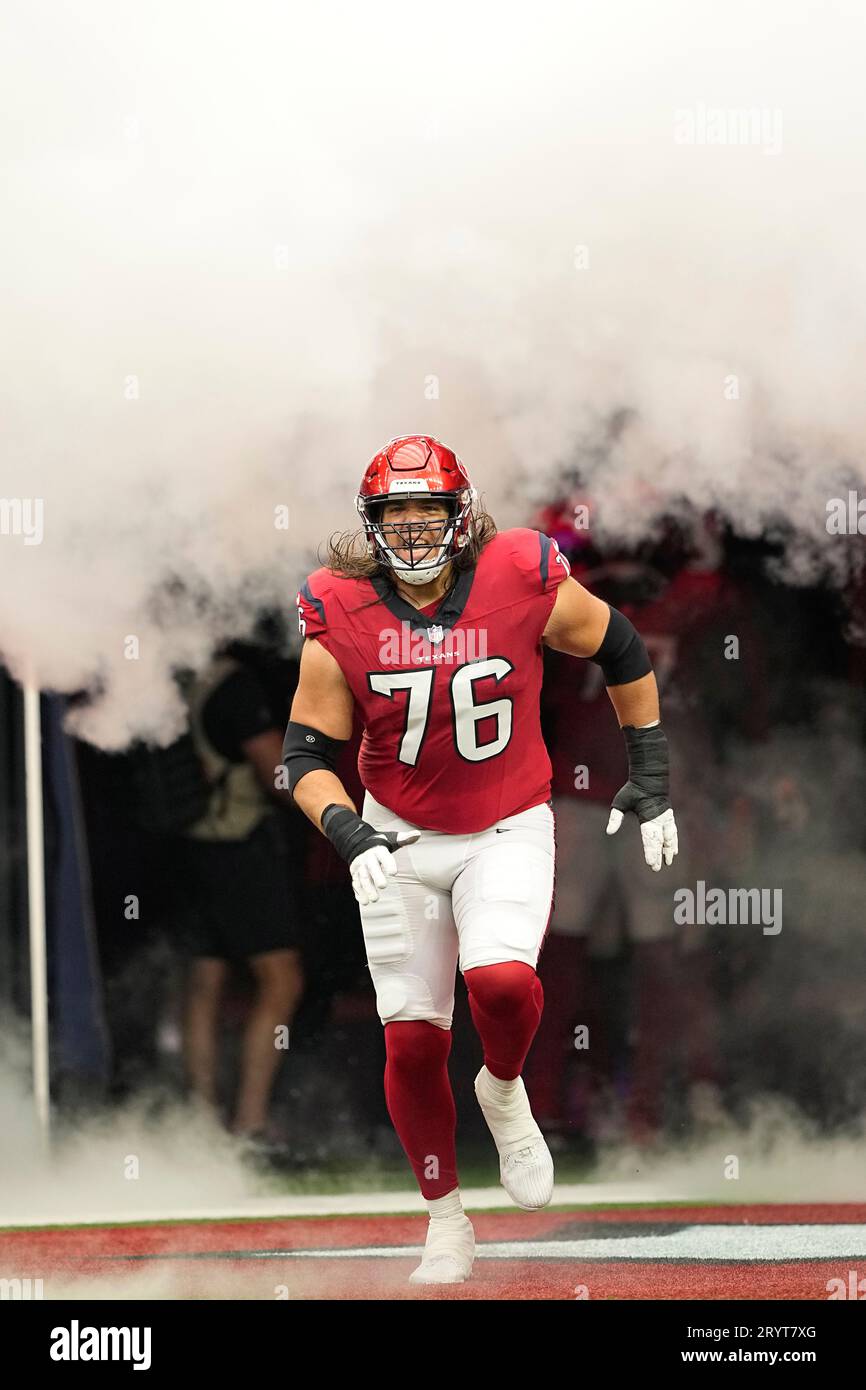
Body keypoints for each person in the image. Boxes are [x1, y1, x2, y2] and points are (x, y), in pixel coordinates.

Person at [282, 435, 678, 1284]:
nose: (416, 530)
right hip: (396, 835)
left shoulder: (520, 573)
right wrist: (350, 834)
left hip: (506, 825)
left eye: (430, 511)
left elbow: (622, 647)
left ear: (461, 517)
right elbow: (304, 754)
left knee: (500, 984)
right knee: (414, 1044)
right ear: (372, 523)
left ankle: (503, 1088)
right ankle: (446, 1222)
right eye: (398, 513)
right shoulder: (339, 609)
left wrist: (650, 770)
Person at [176, 651, 304, 1141]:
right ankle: (251, 1120)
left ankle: (201, 1120)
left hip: (190, 845)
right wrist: (333, 809)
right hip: (239, 846)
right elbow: (277, 773)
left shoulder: (176, 674)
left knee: (204, 980)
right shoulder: (233, 686)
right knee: (281, 978)